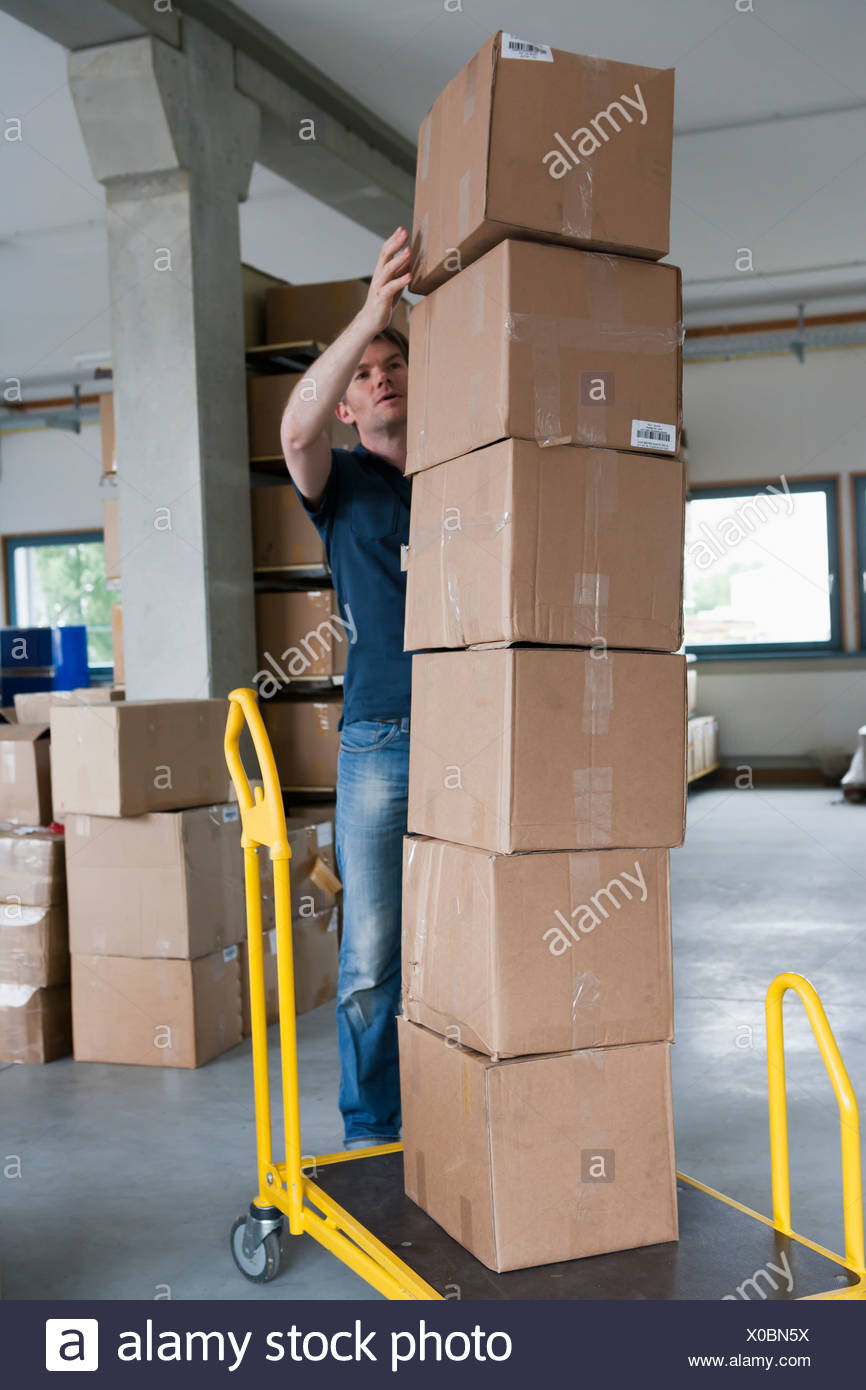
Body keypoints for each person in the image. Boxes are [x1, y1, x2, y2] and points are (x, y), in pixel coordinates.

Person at [280, 227, 413, 1148]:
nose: (379, 379)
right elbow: (292, 428)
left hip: (482, 735)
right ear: (345, 407)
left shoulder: (467, 471)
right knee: (370, 957)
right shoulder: (343, 486)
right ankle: (371, 1134)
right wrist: (372, 310)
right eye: (362, 375)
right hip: (381, 740)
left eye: (392, 362)